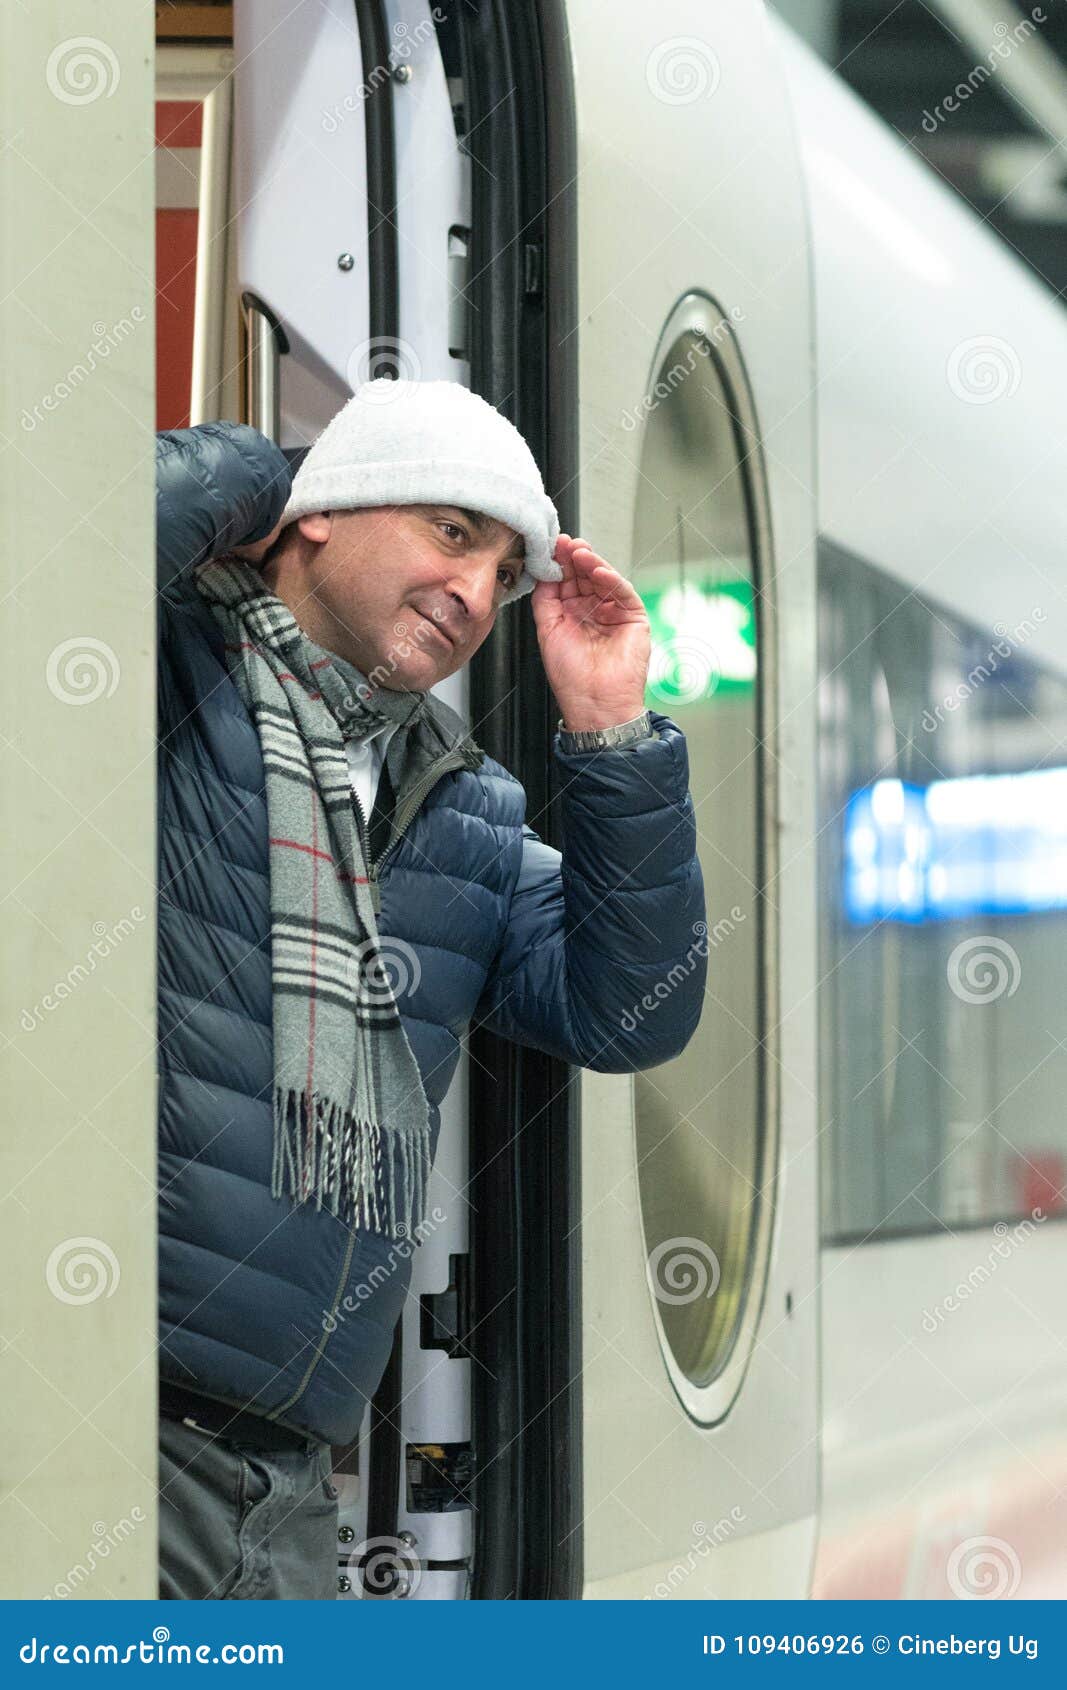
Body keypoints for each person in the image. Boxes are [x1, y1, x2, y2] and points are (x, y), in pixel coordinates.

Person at [155, 378, 706, 1599]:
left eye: (502, 573)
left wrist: (610, 724)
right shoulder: (165, 668)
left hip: (286, 1475)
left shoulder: (463, 811)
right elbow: (60, 546)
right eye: (449, 531)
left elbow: (632, 1006)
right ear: (325, 511)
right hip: (115, 1420)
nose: (472, 591)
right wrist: (257, 468)